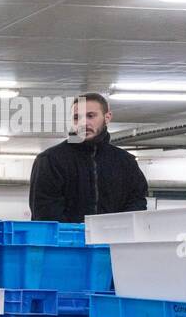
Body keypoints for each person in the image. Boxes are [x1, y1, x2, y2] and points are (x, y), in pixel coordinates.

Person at [29, 93, 148, 223]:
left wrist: (117, 230)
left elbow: (137, 202)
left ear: (107, 117)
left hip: (114, 241)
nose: (83, 123)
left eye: (90, 116)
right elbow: (45, 213)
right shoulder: (50, 160)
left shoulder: (126, 162)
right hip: (67, 242)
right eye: (76, 117)